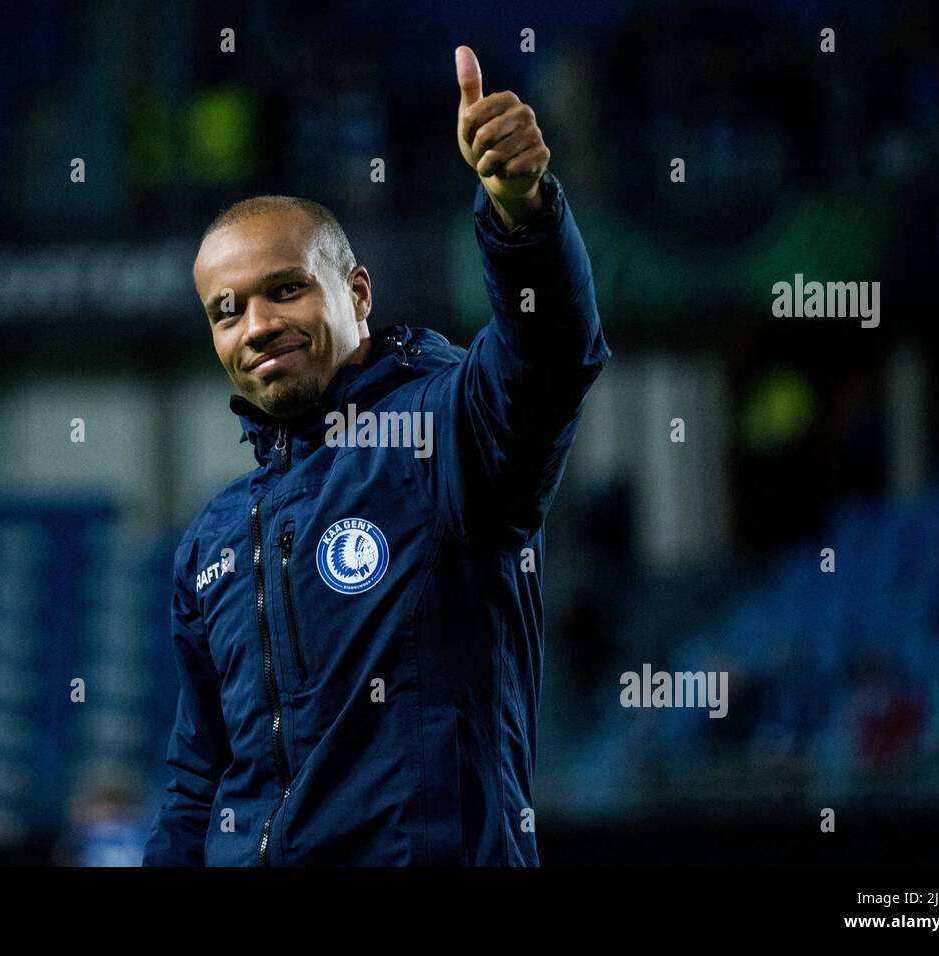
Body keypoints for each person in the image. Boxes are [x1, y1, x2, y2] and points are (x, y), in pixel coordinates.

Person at [143, 46, 612, 866]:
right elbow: (196, 786)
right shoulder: (212, 540)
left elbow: (548, 360)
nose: (257, 326)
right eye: (227, 310)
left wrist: (522, 213)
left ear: (356, 292)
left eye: (286, 289)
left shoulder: (442, 435)